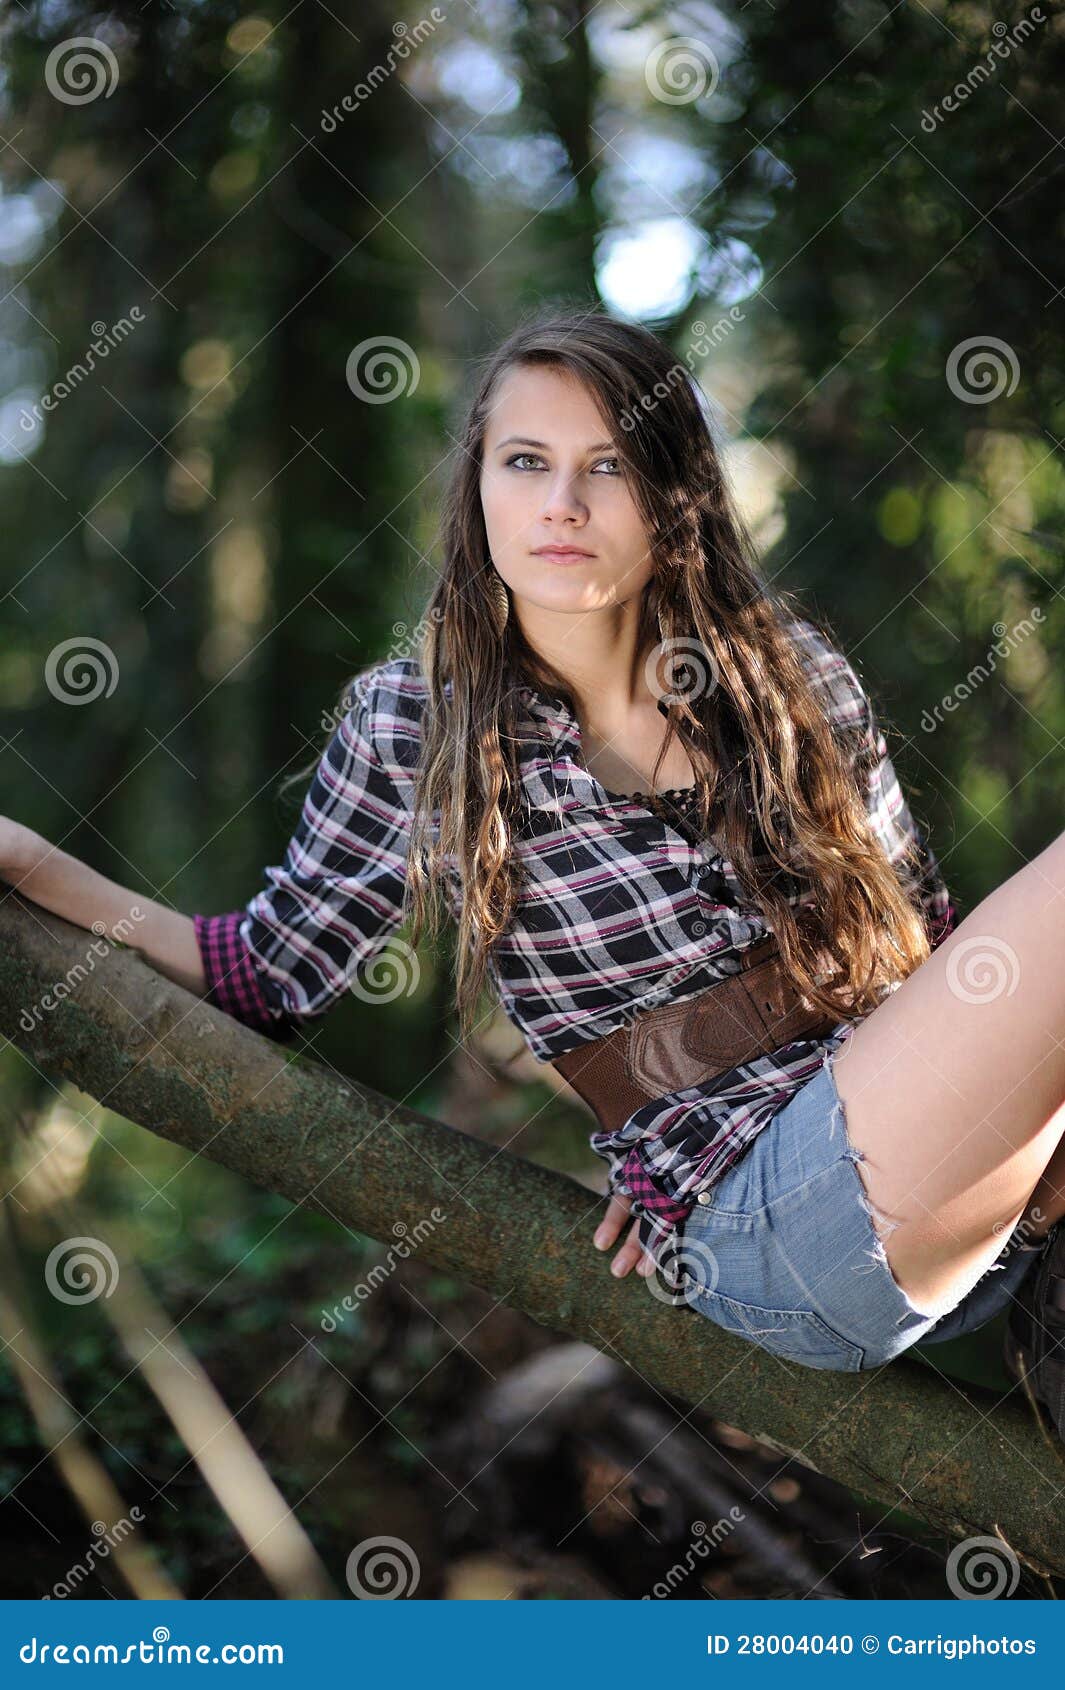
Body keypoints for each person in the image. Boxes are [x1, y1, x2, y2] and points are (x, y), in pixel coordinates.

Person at [5, 307, 1063, 1410]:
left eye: (608, 466)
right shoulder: (416, 727)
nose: (562, 503)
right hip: (774, 1230)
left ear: (676, 493)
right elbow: (264, 975)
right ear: (477, 489)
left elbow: (930, 947)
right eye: (524, 462)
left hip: (970, 1192)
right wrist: (28, 861)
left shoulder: (787, 675)